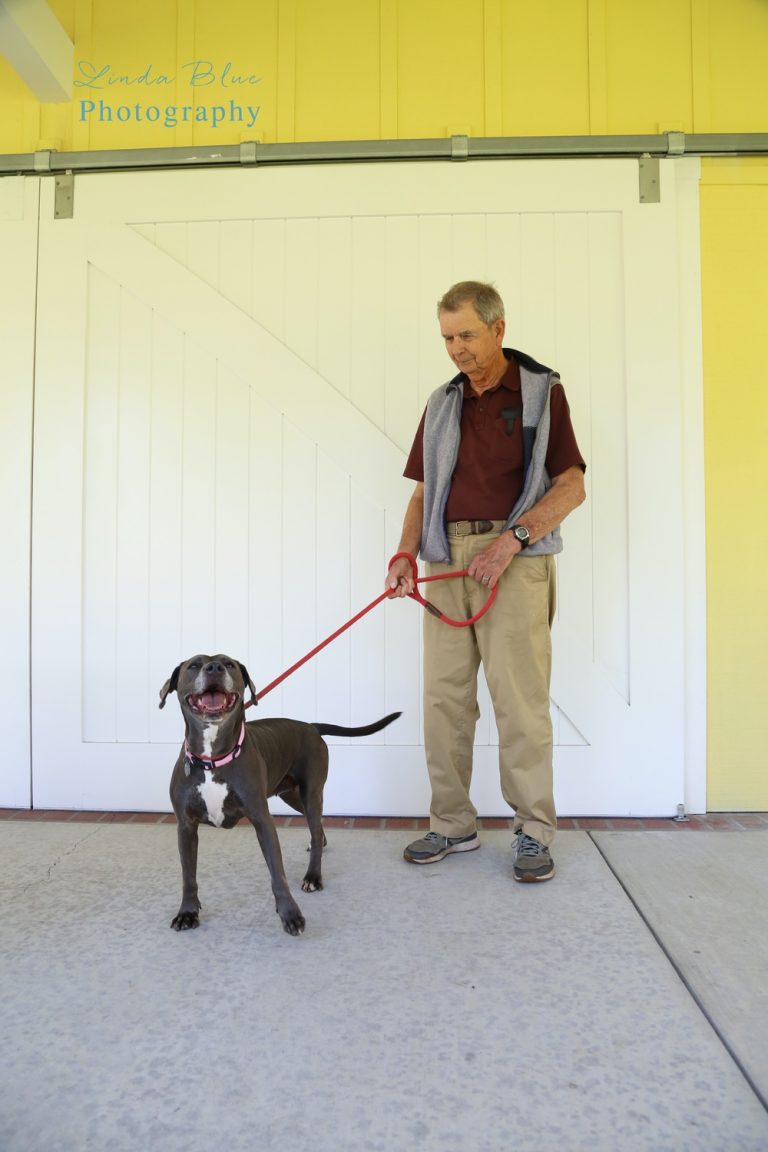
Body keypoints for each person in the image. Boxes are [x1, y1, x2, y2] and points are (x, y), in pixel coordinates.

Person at [386, 281, 586, 882]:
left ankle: (532, 832)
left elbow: (571, 485)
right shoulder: (442, 401)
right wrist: (403, 554)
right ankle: (452, 824)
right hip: (446, 560)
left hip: (515, 558)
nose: (456, 349)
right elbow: (423, 492)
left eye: (466, 335)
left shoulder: (541, 393)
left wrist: (513, 541)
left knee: (519, 704)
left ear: (498, 329)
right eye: (447, 338)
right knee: (444, 701)